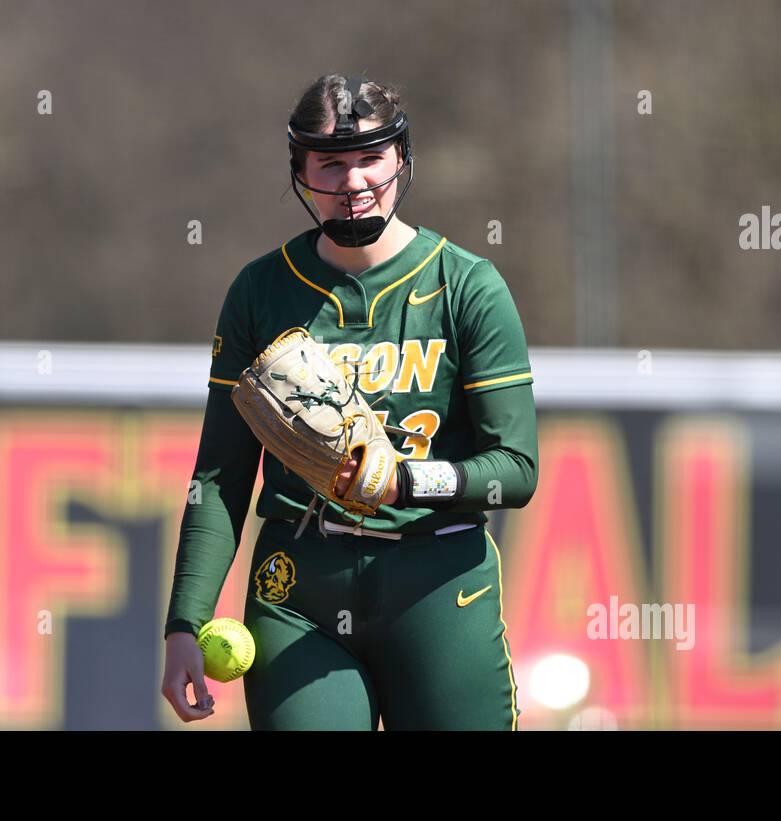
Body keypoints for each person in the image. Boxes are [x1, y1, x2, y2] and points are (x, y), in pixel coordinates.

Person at [161, 73, 538, 730]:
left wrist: (403, 480)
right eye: (330, 163)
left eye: (371, 157)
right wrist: (183, 623)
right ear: (300, 172)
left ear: (402, 159)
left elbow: (516, 470)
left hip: (438, 577)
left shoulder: (466, 285)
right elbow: (220, 474)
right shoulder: (261, 291)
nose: (354, 181)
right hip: (299, 587)